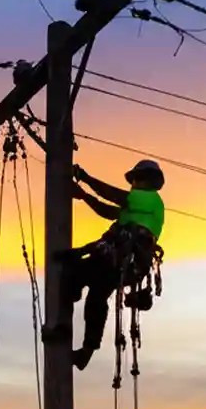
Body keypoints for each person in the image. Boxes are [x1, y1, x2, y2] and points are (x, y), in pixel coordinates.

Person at [59, 159, 165, 371]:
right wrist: (84, 195)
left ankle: (80, 342)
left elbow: (114, 196)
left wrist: (86, 180)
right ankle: (82, 347)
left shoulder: (151, 199)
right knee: (93, 292)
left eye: (136, 179)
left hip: (125, 259)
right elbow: (107, 211)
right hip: (117, 259)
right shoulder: (135, 208)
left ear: (147, 180)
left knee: (89, 285)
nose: (133, 183)